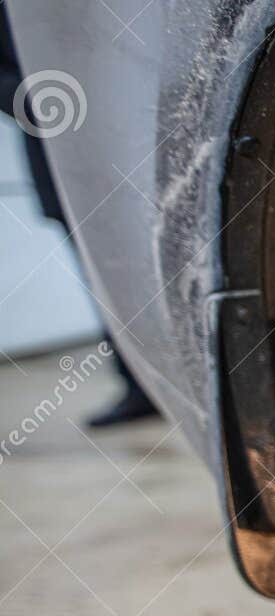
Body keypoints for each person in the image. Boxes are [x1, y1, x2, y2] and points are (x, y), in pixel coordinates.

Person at [1, 3, 158, 427]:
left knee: (161, 260)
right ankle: (141, 383)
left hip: (127, 143)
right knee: (103, 277)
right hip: (59, 158)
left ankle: (190, 372)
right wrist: (54, 103)